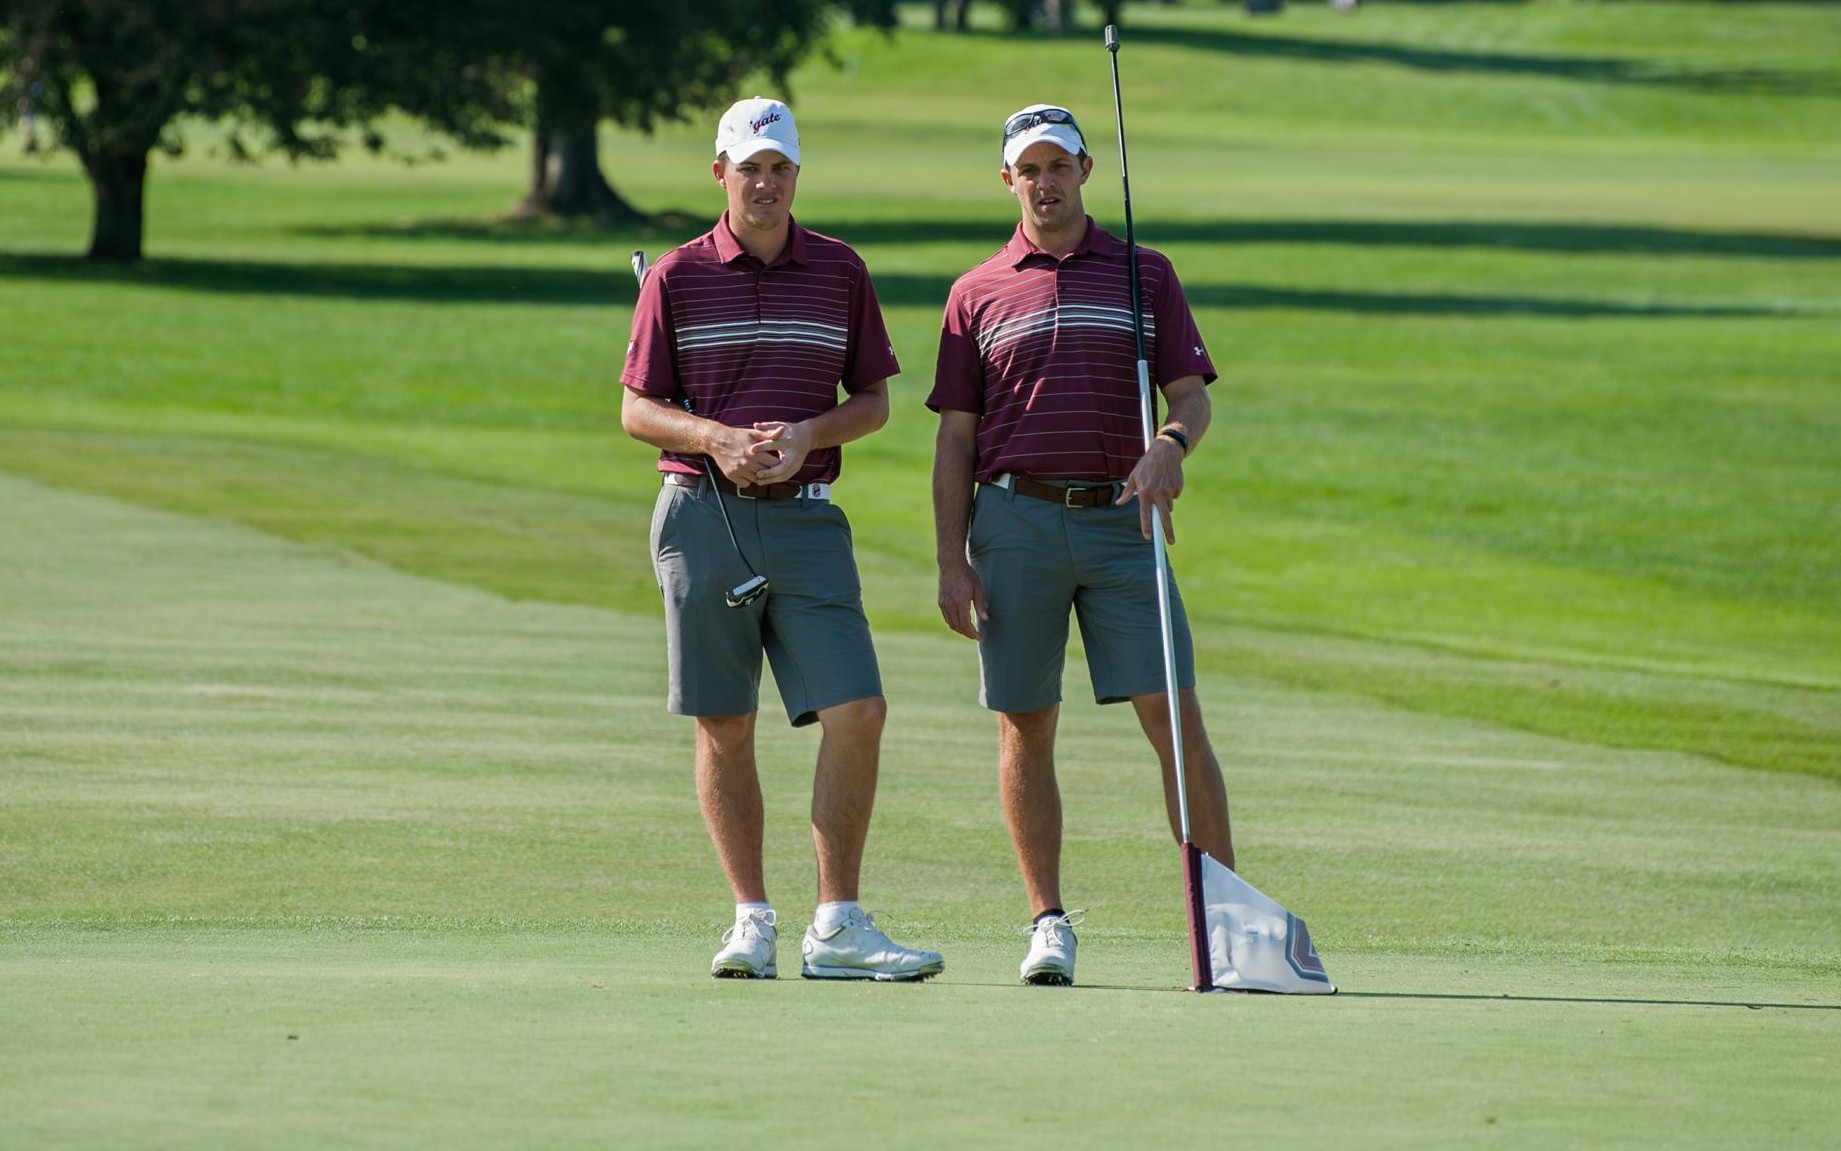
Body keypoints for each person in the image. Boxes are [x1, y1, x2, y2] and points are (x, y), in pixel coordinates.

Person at [621, 97, 942, 982]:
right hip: (700, 514)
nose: (765, 184)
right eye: (749, 168)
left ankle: (836, 924)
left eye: (780, 169)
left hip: (806, 519)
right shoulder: (676, 276)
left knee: (858, 710)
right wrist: (717, 438)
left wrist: (806, 435)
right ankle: (751, 919)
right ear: (720, 173)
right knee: (725, 724)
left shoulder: (839, 271)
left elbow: (873, 400)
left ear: (797, 176)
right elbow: (637, 408)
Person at [928, 103, 1233, 987]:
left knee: (1175, 719)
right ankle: (1047, 921)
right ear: (1007, 181)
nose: (1045, 181)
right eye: (1029, 169)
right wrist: (952, 558)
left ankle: (1223, 918)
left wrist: (1168, 448)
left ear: (1087, 170)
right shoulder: (975, 291)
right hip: (1014, 521)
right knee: (1024, 725)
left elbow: (1191, 395)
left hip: (1122, 519)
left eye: (1059, 165)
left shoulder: (1144, 271)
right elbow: (954, 440)